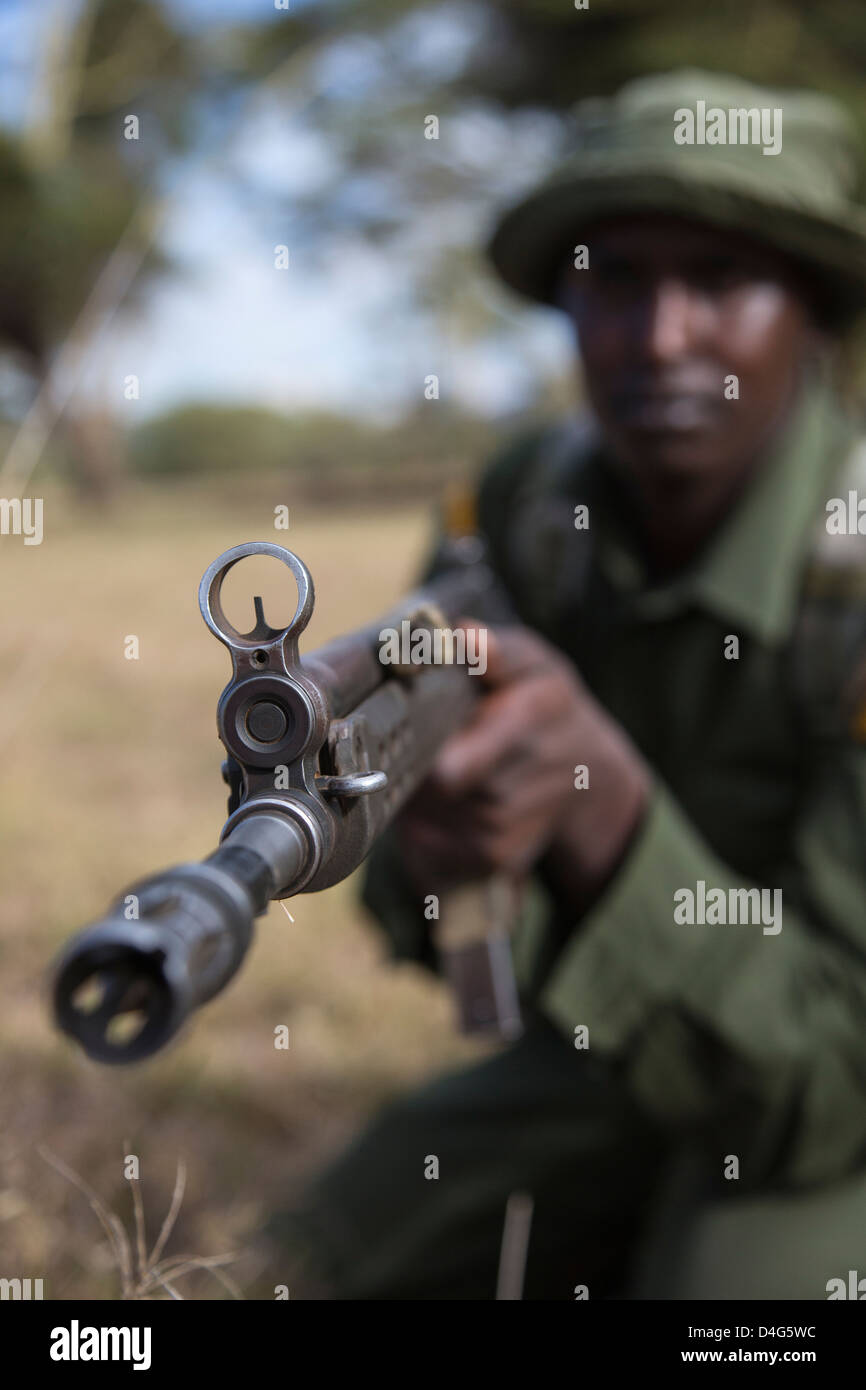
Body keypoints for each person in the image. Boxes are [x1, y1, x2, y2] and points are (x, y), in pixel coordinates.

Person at [268, 69, 866, 1300]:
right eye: (613, 279)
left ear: (810, 311)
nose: (658, 337)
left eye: (719, 281)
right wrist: (432, 852)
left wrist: (599, 818)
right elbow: (424, 934)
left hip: (837, 1100)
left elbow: (837, 1077)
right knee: (312, 1261)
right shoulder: (528, 512)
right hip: (616, 1047)